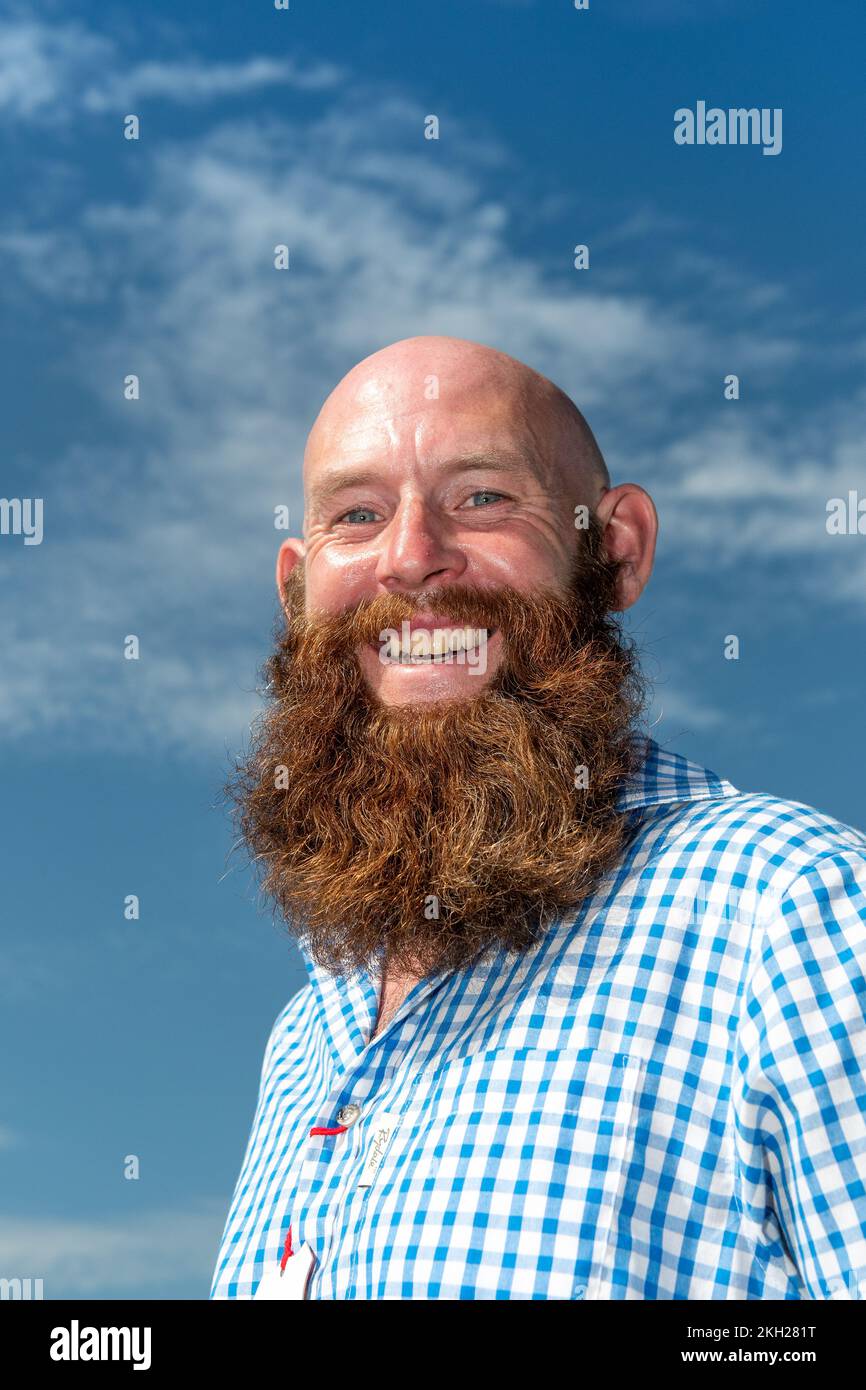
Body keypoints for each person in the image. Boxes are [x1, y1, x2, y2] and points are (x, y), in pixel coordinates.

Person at [210, 335, 866, 1300]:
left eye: (481, 497)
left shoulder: (792, 909)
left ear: (615, 549)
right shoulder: (305, 1040)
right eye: (358, 514)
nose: (411, 558)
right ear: (299, 590)